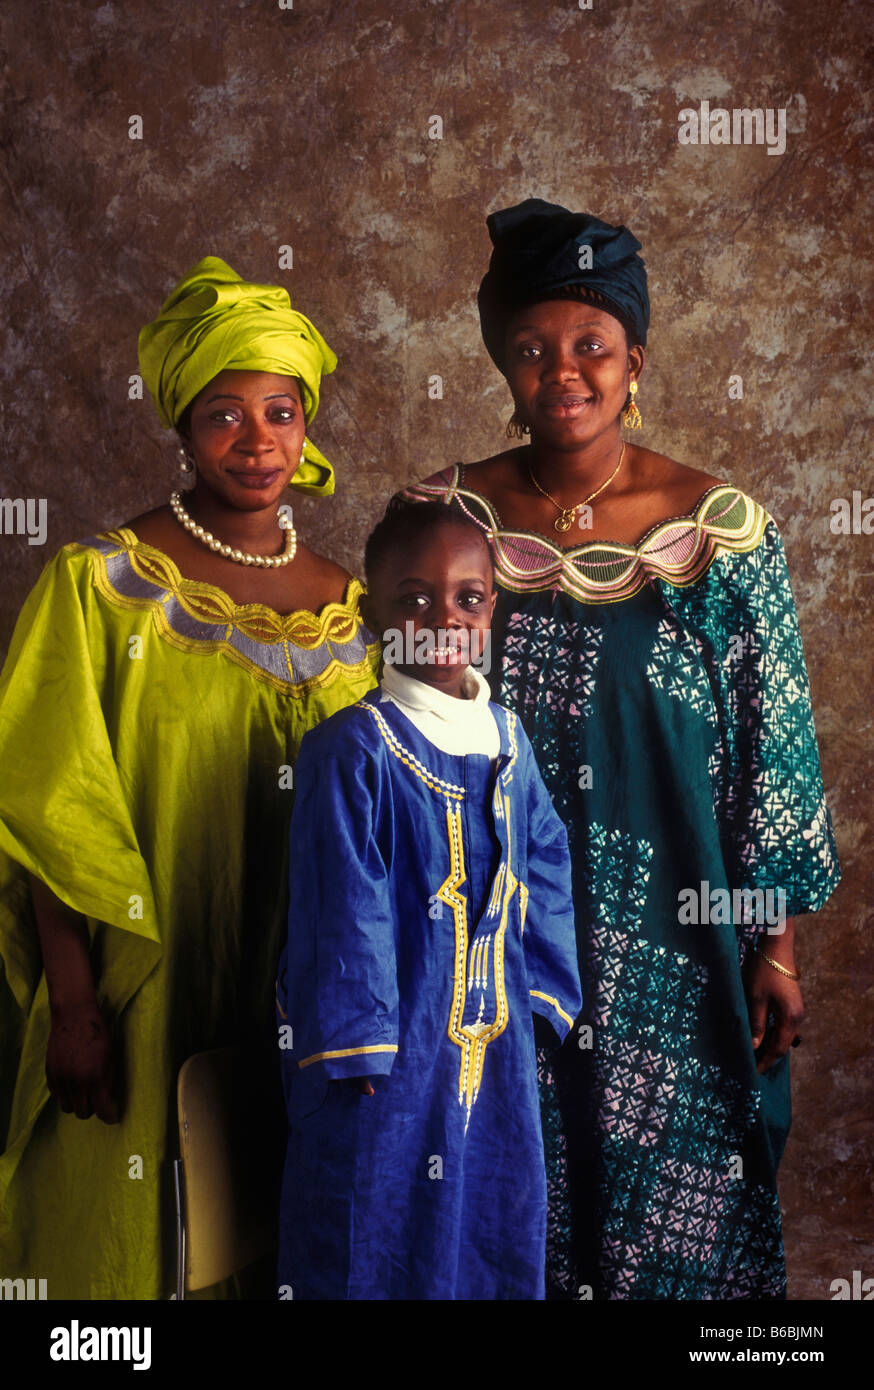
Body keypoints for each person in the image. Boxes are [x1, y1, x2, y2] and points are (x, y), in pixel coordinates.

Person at [395, 199, 841, 1300]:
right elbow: (398, 721)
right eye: (533, 348)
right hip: (488, 928)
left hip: (674, 937)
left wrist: (770, 943)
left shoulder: (720, 534)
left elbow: (767, 762)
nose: (563, 371)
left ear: (633, 360)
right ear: (503, 362)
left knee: (673, 1206)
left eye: (590, 346)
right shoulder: (445, 520)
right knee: (508, 1186)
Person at [0, 257, 379, 1299]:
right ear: (179, 426)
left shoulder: (357, 611)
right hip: (144, 989)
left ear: (307, 428)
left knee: (266, 1232)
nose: (256, 442)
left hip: (297, 990)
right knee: (137, 1247)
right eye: (223, 414)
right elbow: (45, 806)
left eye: (279, 412)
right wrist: (75, 1000)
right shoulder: (100, 588)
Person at [276, 501, 582, 1299]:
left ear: (493, 611)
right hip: (388, 1061)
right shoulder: (355, 747)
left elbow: (546, 859)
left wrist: (545, 996)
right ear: (375, 611)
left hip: (494, 1047)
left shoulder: (510, 742)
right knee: (377, 1221)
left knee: (490, 1218)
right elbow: (343, 898)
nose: (441, 618)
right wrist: (357, 1043)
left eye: (468, 598)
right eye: (413, 597)